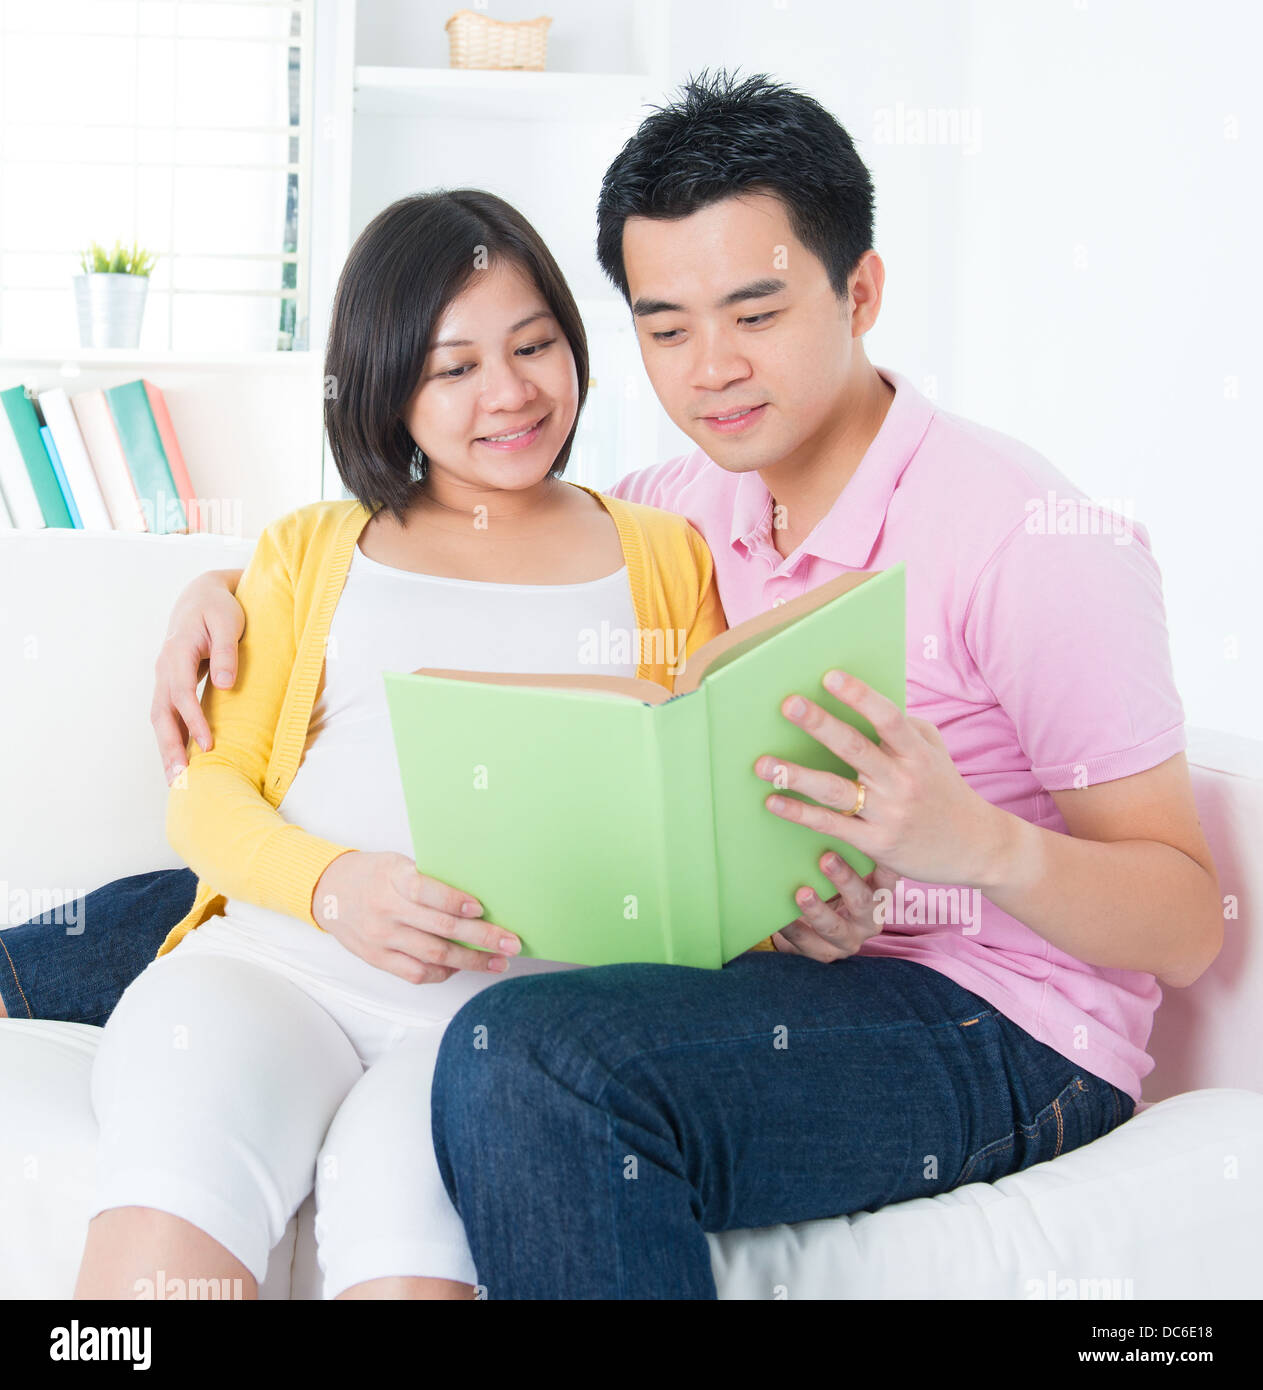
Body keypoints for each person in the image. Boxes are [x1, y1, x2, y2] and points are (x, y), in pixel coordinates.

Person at [4, 71, 1220, 1299]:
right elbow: (454, 553)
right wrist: (212, 589)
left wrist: (979, 847)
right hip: (800, 957)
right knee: (252, 880)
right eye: (666, 325)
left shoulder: (1032, 539)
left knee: (522, 1051)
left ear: (862, 291)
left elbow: (1182, 917)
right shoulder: (681, 508)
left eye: (757, 311)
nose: (713, 371)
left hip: (997, 1021)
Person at [70, 187, 733, 1301]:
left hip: (499, 1042)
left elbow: (708, 792)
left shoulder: (671, 554)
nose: (511, 391)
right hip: (280, 972)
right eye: (453, 366)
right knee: (172, 1203)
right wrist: (335, 887)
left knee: (406, 1232)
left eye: (534, 345)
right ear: (386, 385)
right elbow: (208, 788)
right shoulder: (315, 547)